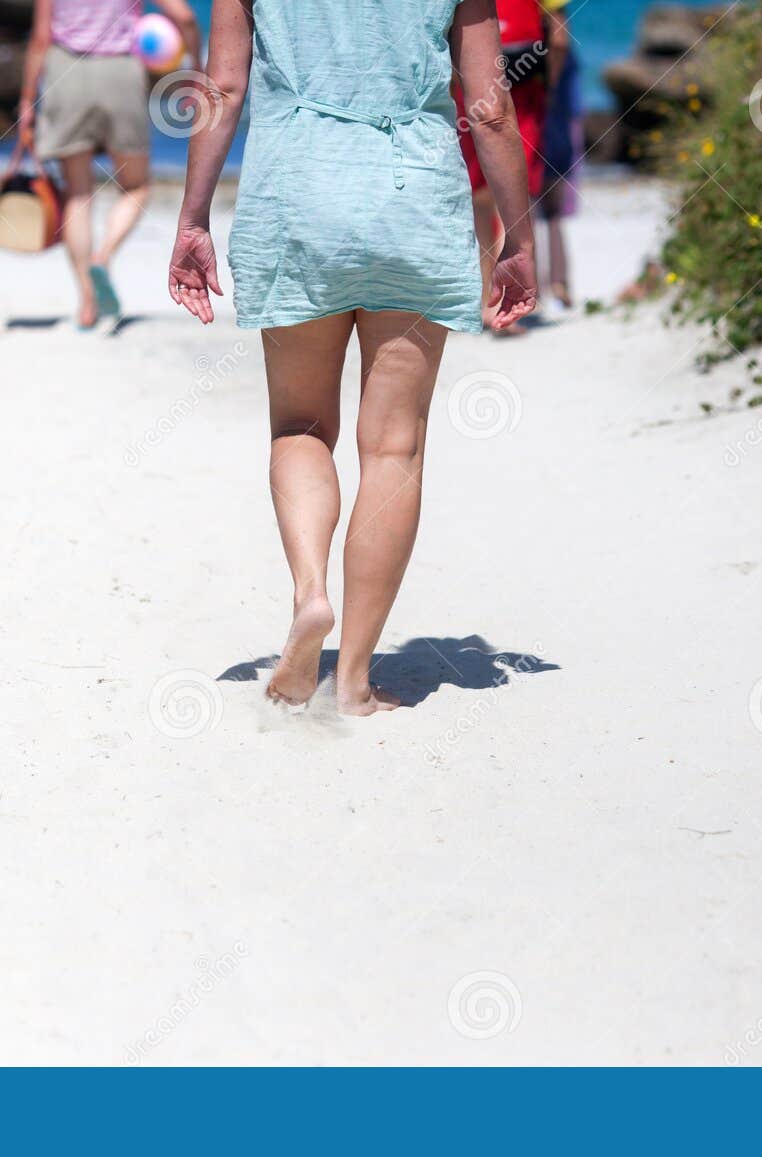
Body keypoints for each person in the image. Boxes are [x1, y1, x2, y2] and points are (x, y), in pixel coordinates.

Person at [166, 0, 537, 715]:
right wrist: (517, 240)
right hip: (415, 201)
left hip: (296, 196)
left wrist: (192, 218)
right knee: (393, 448)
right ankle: (357, 680)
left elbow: (224, 90)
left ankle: (311, 594)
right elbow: (488, 108)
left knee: (300, 429)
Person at [19, 0, 202, 329]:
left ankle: (87, 304)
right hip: (119, 70)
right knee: (136, 186)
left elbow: (40, 37)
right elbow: (185, 16)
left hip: (65, 71)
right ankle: (103, 256)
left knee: (77, 193)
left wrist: (26, 98)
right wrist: (197, 70)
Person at [454, 0, 567, 331]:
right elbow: (558, 38)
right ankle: (509, 297)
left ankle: (485, 297)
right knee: (515, 191)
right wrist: (551, 88)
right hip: (525, 87)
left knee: (479, 194)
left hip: (470, 87)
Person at [537, 0, 580, 307]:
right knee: (552, 210)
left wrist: (546, 87)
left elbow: (560, 40)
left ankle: (535, 288)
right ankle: (558, 283)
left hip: (541, 109)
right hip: (556, 112)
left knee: (522, 206)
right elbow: (561, 39)